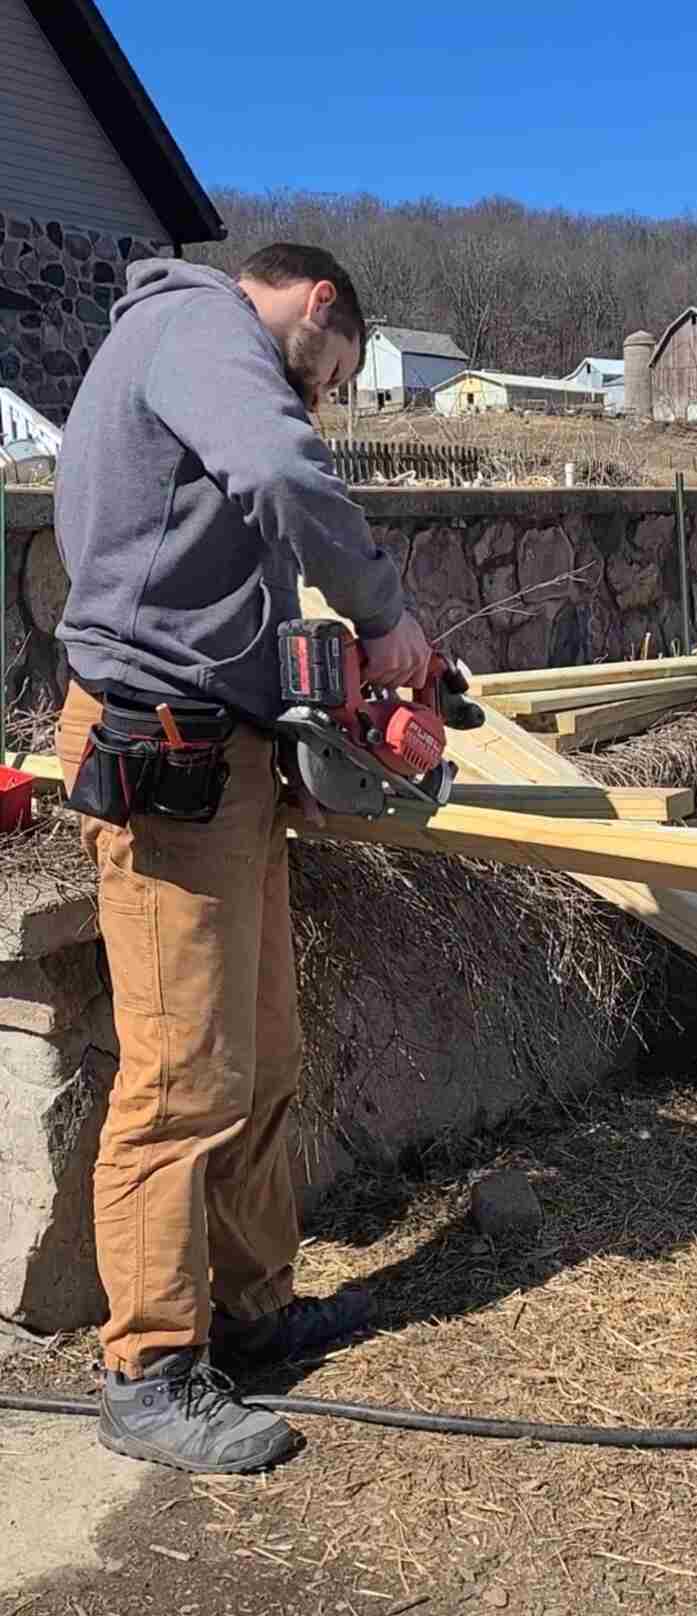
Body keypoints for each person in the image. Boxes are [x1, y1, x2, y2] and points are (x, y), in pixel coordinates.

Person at [53, 243, 432, 1476]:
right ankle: (149, 1368)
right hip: (164, 755)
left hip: (228, 753)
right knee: (181, 1080)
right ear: (321, 304)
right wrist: (381, 614)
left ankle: (255, 1311)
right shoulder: (203, 329)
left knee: (264, 1057)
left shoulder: (193, 350)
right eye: (334, 372)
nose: (319, 396)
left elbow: (219, 566)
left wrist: (322, 689)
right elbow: (278, 465)